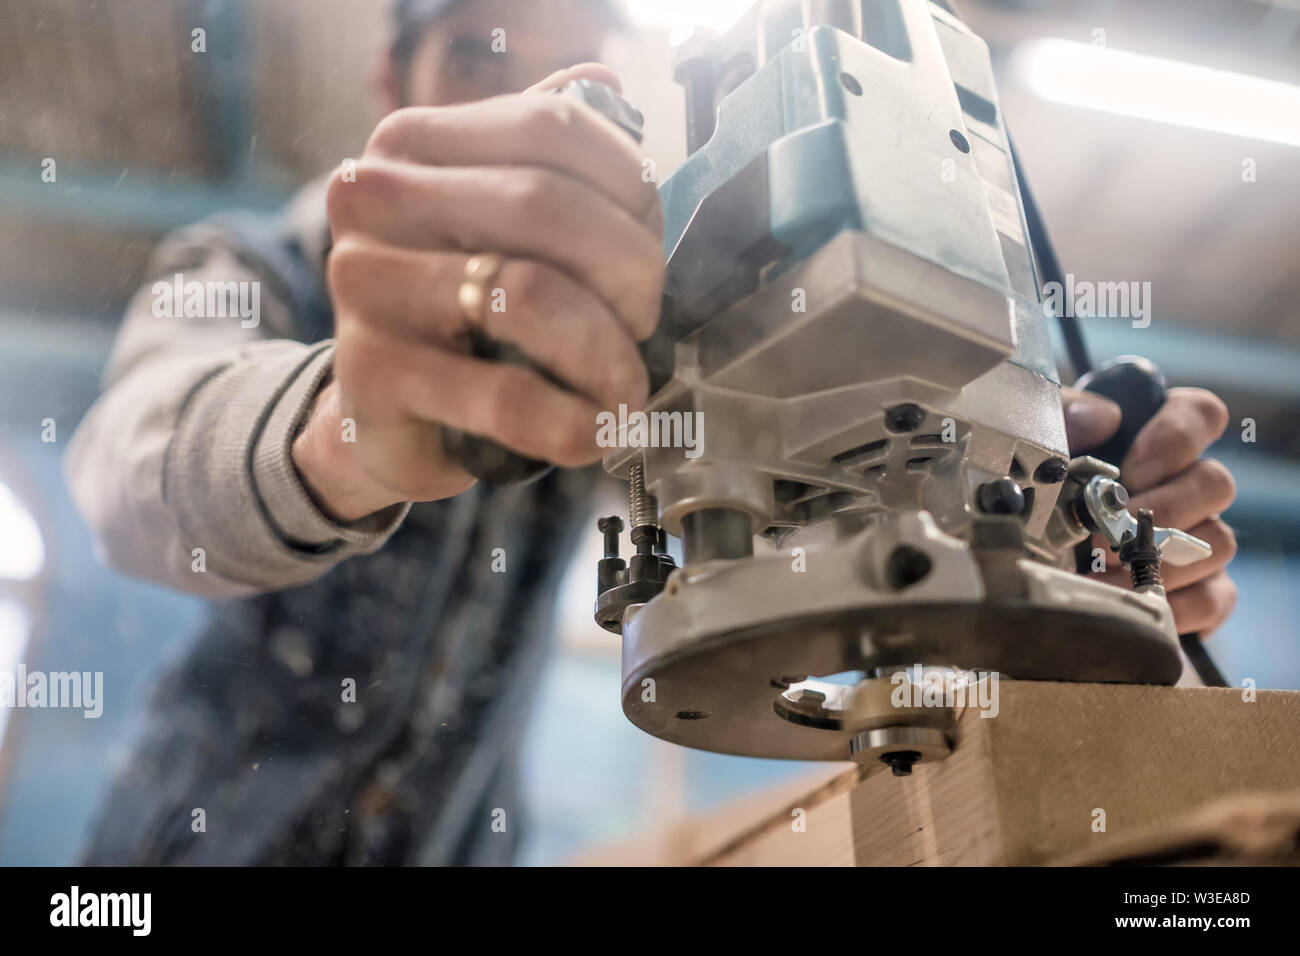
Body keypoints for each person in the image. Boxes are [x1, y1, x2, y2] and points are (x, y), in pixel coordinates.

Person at [65, 0, 1238, 865]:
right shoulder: (254, 262)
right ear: (390, 78)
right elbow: (126, 467)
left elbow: (782, 455)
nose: (522, 110)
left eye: (564, 79)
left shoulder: (644, 318)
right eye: (479, 55)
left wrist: (1049, 517)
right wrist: (336, 431)